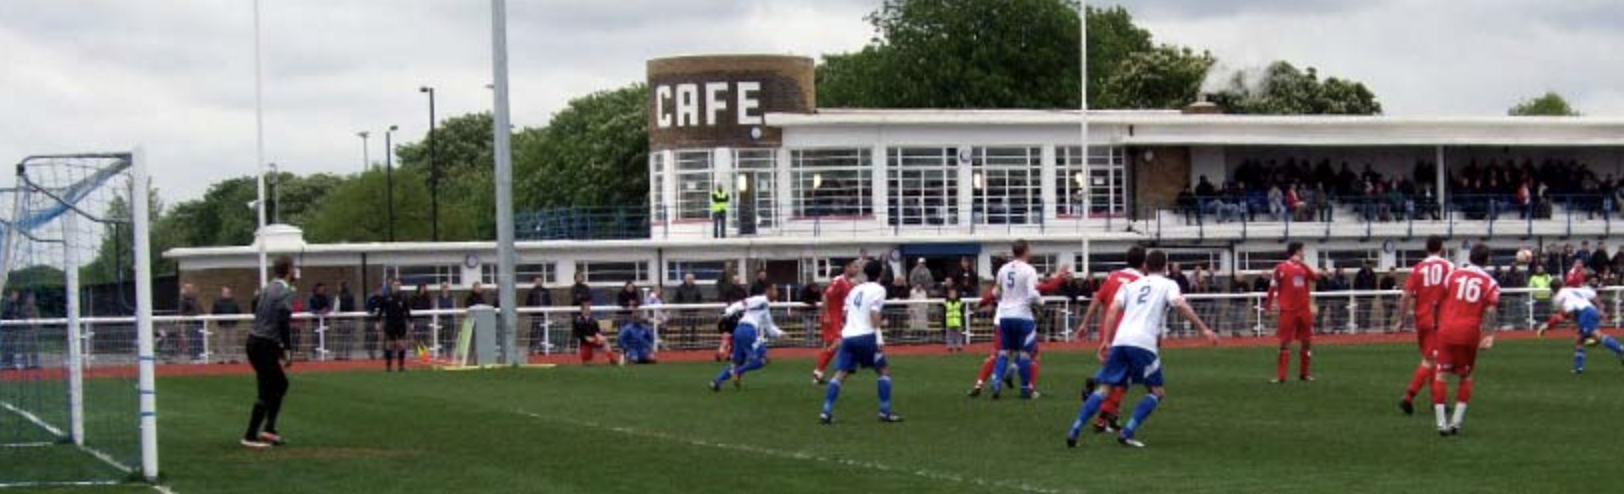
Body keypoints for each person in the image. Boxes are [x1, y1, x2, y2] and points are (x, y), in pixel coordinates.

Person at [1066, 249, 1218, 449]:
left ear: (1147, 266)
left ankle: (1075, 429)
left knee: (1104, 388)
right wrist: (1203, 329)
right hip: (1143, 343)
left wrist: (1107, 340)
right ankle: (1127, 432)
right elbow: (1181, 305)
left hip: (1121, 340)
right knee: (1157, 392)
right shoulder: (1168, 284)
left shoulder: (1132, 285)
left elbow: (1112, 309)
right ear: (1165, 267)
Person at [1072, 246, 1147, 433]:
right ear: (1143, 263)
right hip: (1127, 335)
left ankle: (1110, 415)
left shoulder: (1112, 277)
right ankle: (1102, 419)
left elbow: (1097, 300)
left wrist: (1084, 323)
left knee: (1115, 376)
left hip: (1107, 332)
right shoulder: (1141, 282)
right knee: (1122, 379)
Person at [820, 260, 902, 424]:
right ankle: (885, 412)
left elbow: (845, 311)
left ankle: (826, 411)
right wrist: (879, 337)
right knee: (883, 371)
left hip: (848, 336)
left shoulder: (855, 289)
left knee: (840, 374)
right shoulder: (879, 289)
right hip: (866, 336)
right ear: (881, 273)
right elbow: (874, 314)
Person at [1432, 244, 1500, 437]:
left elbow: (1437, 303)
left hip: (1446, 330)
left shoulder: (1452, 275)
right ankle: (1456, 422)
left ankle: (1440, 424)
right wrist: (1489, 334)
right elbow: (1491, 309)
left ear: (1469, 257)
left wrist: (1437, 325)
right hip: (1469, 333)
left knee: (1441, 375)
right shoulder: (1490, 283)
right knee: (1466, 376)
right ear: (1487, 260)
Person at [1391, 236, 1454, 415]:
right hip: (1439, 320)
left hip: (1422, 320)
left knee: (1433, 359)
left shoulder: (1418, 268)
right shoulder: (1448, 266)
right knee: (1431, 361)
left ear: (1426, 249)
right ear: (1441, 248)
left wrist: (1401, 320)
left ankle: (1437, 402)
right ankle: (1408, 397)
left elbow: (1406, 295)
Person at [241, 256, 295, 449]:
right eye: (293, 267)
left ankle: (268, 429)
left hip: (255, 341)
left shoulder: (267, 287)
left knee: (272, 385)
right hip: (264, 344)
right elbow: (283, 321)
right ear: (289, 269)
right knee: (277, 385)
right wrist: (287, 349)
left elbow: (255, 307)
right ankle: (251, 435)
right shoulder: (286, 291)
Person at [990, 239, 1041, 399]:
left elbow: (995, 293)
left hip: (1005, 315)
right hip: (1023, 316)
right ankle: (1025, 389)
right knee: (1026, 353)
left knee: (1004, 351)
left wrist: (1006, 298)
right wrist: (1042, 302)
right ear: (1025, 250)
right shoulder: (1029, 270)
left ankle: (996, 381)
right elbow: (1032, 294)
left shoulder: (1003, 269)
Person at [1539, 278, 1624, 374]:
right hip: (1591, 310)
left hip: (1584, 313)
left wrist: (1574, 323)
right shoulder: (1571, 289)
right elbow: (1592, 295)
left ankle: (1620, 350)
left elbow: (1569, 310)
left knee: (1597, 336)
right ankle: (1579, 369)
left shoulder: (1558, 297)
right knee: (1579, 340)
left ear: (1552, 289)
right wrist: (1600, 309)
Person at [709, 285, 785, 390]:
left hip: (739, 331)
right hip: (748, 331)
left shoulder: (765, 307)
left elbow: (770, 327)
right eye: (775, 290)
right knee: (762, 359)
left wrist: (781, 333)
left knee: (737, 362)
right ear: (768, 291)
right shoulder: (760, 300)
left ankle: (717, 381)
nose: (777, 292)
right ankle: (738, 372)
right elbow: (740, 304)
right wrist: (726, 313)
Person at [1265, 242, 1320, 383]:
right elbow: (1272, 288)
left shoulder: (1303, 267)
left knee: (1307, 341)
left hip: (1304, 309)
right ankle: (1281, 376)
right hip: (1288, 310)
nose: (1304, 253)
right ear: (1296, 251)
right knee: (1285, 342)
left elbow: (1315, 277)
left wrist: (1303, 264)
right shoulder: (1280, 268)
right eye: (1302, 251)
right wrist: (1268, 306)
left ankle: (1304, 374)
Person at [813, 260, 860, 384]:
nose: (857, 269)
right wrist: (827, 315)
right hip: (832, 318)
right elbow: (825, 296)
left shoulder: (849, 283)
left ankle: (819, 373)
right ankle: (820, 371)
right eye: (855, 267)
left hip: (838, 317)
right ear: (847, 267)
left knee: (832, 345)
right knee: (838, 342)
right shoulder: (839, 280)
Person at [375, 279, 412, 372]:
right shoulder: (386, 297)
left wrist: (411, 322)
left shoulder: (403, 297)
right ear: (391, 286)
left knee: (402, 344)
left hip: (400, 323)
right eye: (395, 285)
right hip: (390, 323)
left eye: (398, 285)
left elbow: (407, 311)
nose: (397, 287)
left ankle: (401, 366)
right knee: (389, 345)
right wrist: (377, 321)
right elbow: (380, 310)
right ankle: (388, 366)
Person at [212, 287, 243, 364]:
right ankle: (221, 359)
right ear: (222, 293)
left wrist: (235, 321)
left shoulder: (234, 302)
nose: (226, 294)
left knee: (233, 342)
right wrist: (219, 319)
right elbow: (213, 312)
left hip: (232, 325)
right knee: (221, 342)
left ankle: (233, 358)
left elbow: (239, 312)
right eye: (225, 292)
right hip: (222, 325)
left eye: (228, 292)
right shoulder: (217, 302)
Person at [673, 273, 703, 345]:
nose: (690, 280)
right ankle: (683, 344)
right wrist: (681, 306)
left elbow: (700, 298)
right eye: (688, 279)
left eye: (691, 279)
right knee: (683, 328)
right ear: (685, 279)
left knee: (694, 328)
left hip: (694, 311)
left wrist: (697, 307)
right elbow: (676, 299)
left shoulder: (697, 288)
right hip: (684, 311)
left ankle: (693, 344)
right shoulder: (680, 288)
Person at [526, 277, 552, 354]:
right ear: (534, 282)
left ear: (542, 282)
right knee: (534, 332)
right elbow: (528, 303)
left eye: (540, 281)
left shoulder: (546, 291)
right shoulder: (531, 291)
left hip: (544, 314)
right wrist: (531, 312)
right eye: (537, 281)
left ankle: (542, 349)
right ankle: (532, 349)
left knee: (543, 332)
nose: (538, 282)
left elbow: (549, 302)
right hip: (535, 314)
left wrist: (547, 311)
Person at [942, 286, 967, 353]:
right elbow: (944, 314)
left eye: (954, 293)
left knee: (958, 336)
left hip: (958, 322)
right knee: (949, 336)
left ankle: (959, 347)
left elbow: (962, 314)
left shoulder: (959, 303)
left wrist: (963, 323)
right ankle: (950, 347)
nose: (952, 295)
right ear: (949, 295)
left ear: (956, 294)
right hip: (949, 322)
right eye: (951, 293)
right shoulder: (946, 303)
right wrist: (943, 323)